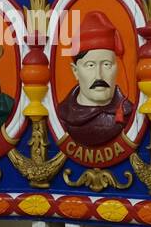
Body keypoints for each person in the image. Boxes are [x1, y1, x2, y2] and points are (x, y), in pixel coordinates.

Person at [56, 10, 133, 146]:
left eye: (106, 64)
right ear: (75, 71)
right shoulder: (62, 113)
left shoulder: (129, 112)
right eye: (90, 65)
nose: (99, 75)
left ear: (117, 68)